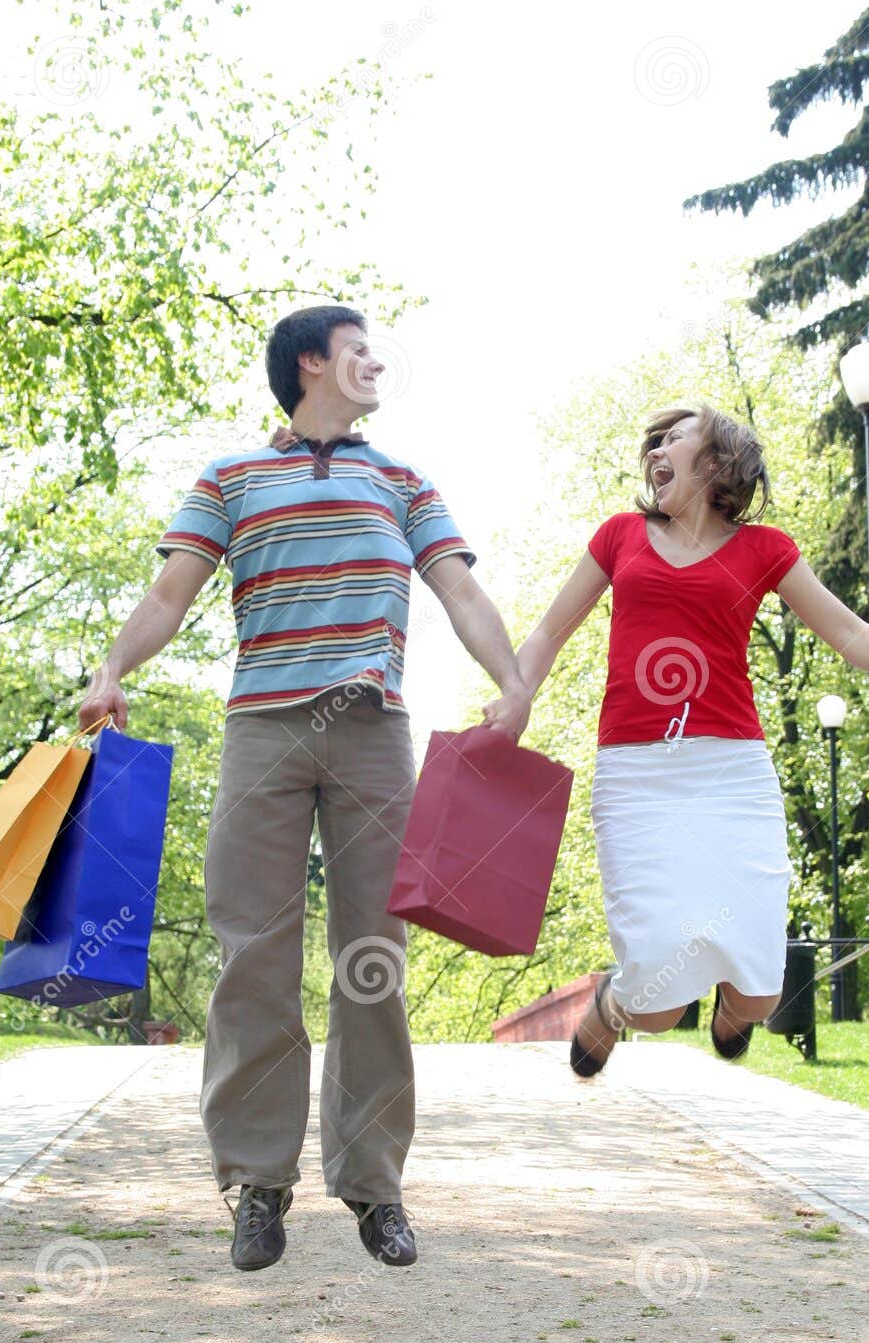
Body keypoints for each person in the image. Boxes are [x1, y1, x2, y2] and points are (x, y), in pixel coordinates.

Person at [78, 304, 530, 1272]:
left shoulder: (402, 478)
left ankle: (375, 1185)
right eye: (361, 348)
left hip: (373, 736)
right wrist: (112, 668)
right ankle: (256, 1181)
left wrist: (513, 681)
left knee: (374, 956)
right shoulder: (230, 477)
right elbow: (169, 593)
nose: (378, 362)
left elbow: (460, 591)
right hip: (263, 736)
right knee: (253, 957)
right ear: (313, 362)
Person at [486, 404, 869, 1074]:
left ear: (720, 460)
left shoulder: (764, 549)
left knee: (759, 993)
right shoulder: (620, 537)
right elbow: (550, 630)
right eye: (653, 442)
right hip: (637, 777)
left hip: (732, 776)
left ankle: (733, 1007)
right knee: (658, 1008)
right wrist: (516, 697)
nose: (657, 450)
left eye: (675, 437)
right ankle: (612, 1004)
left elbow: (848, 634)